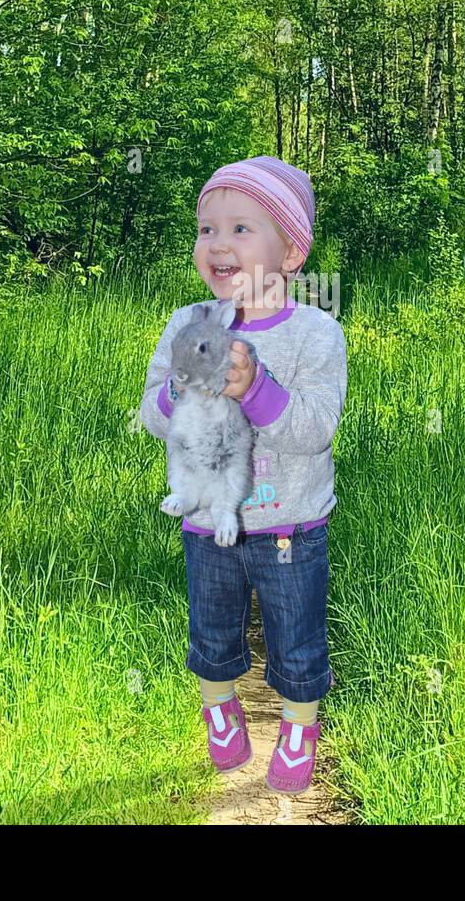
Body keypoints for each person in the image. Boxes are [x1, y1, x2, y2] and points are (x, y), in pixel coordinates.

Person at [137, 155, 346, 793]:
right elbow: (150, 410)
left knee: (298, 636)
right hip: (208, 520)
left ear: (290, 252)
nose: (218, 244)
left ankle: (298, 725)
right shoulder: (187, 323)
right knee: (213, 630)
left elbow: (315, 430)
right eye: (207, 230)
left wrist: (256, 388)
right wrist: (181, 387)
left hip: (291, 525)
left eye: (240, 229)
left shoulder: (317, 334)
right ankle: (221, 713)